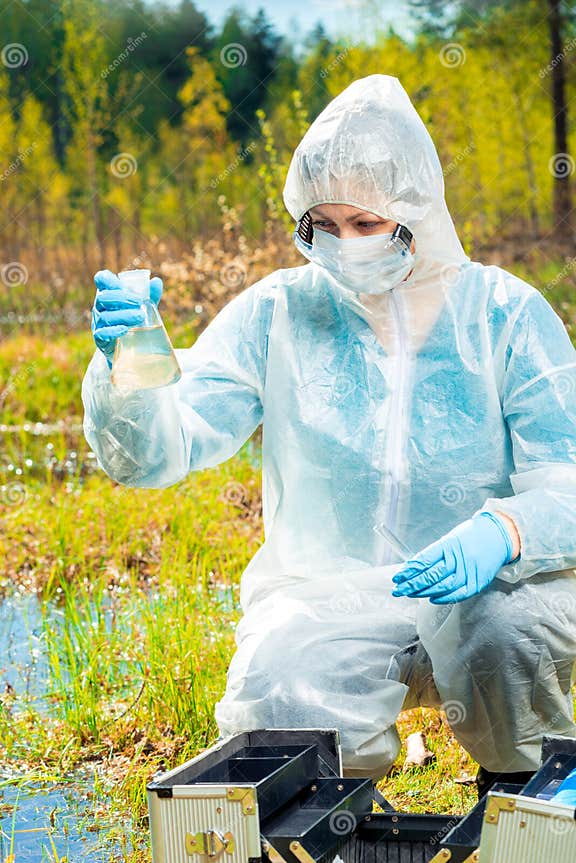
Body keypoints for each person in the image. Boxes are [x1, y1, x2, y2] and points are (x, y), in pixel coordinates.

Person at [82, 75, 576, 799]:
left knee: (507, 633)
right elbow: (163, 448)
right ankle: (335, 814)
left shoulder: (505, 315)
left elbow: (568, 478)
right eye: (325, 223)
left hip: (483, 589)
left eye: (367, 222)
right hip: (328, 597)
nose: (345, 245)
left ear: (416, 213)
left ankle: (521, 786)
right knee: (279, 692)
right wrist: (123, 372)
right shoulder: (279, 312)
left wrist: (505, 529)